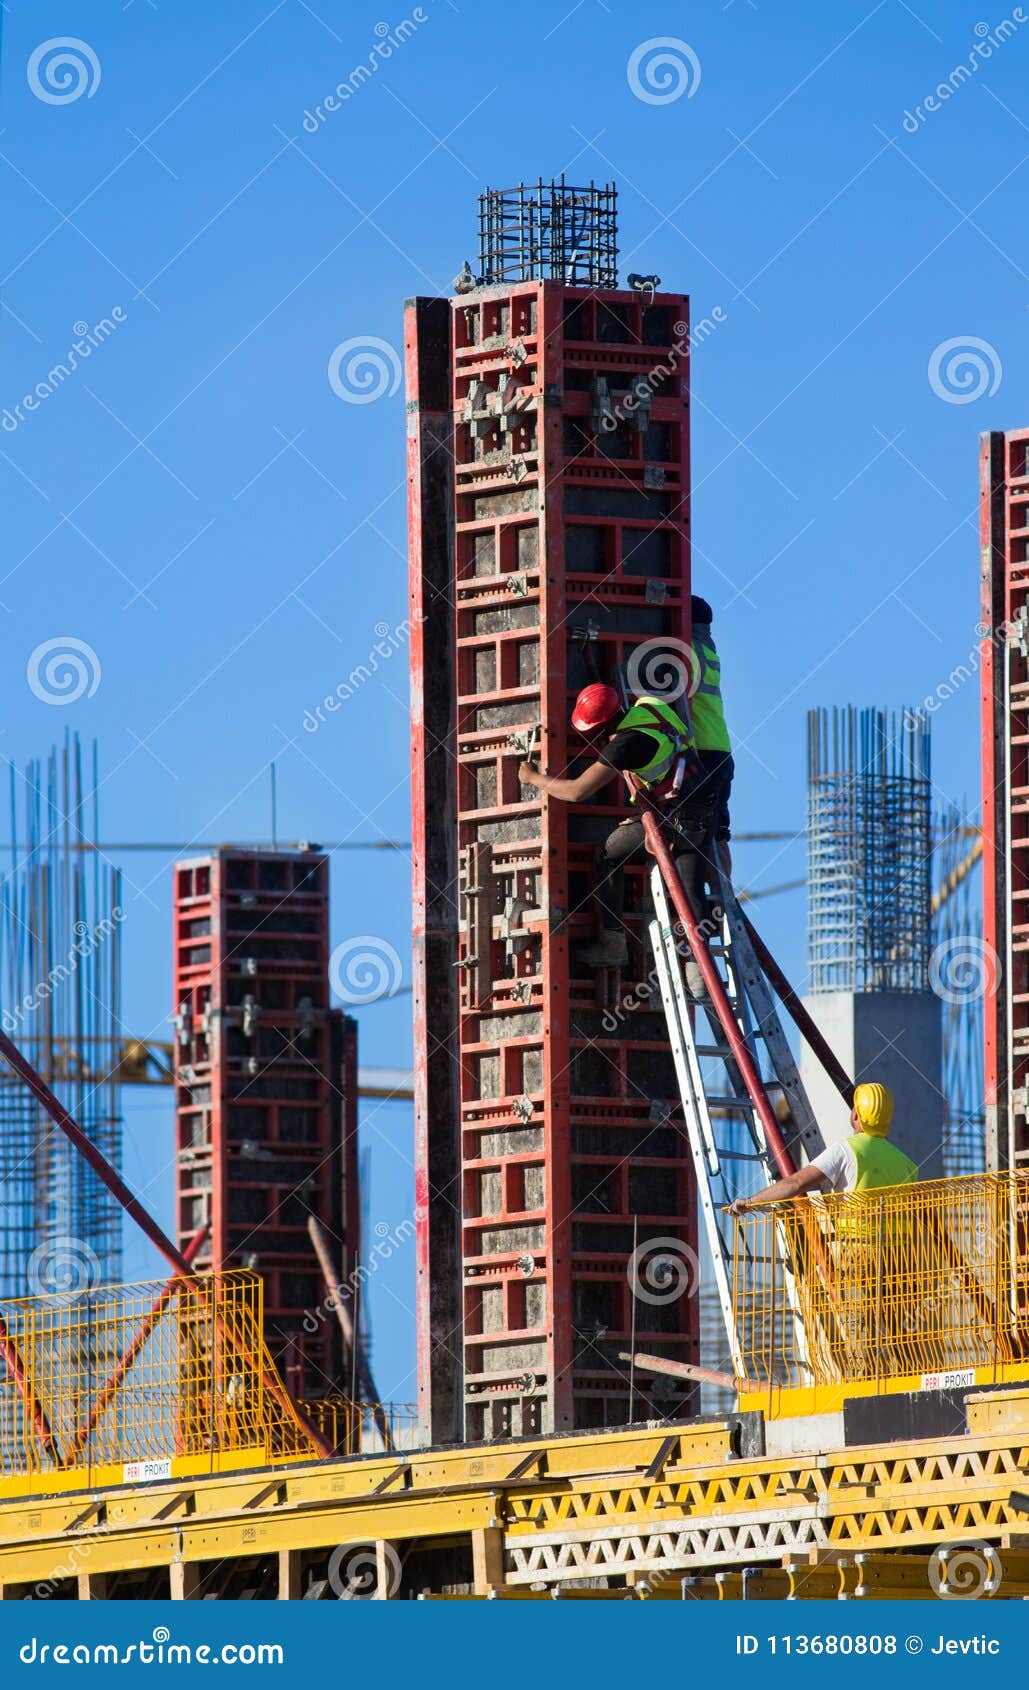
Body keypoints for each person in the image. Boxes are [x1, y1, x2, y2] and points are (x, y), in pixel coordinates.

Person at [518, 596, 734, 996]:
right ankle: (721, 918)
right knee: (704, 866)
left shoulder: (625, 745)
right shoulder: (652, 706)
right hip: (701, 783)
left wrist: (534, 778)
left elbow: (579, 791)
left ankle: (683, 964)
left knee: (680, 889)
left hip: (681, 813)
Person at [728, 1082, 917, 1213]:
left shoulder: (846, 1150)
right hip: (898, 1258)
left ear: (855, 1115)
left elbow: (795, 1184)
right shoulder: (906, 1163)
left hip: (859, 1251)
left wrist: (751, 1202)